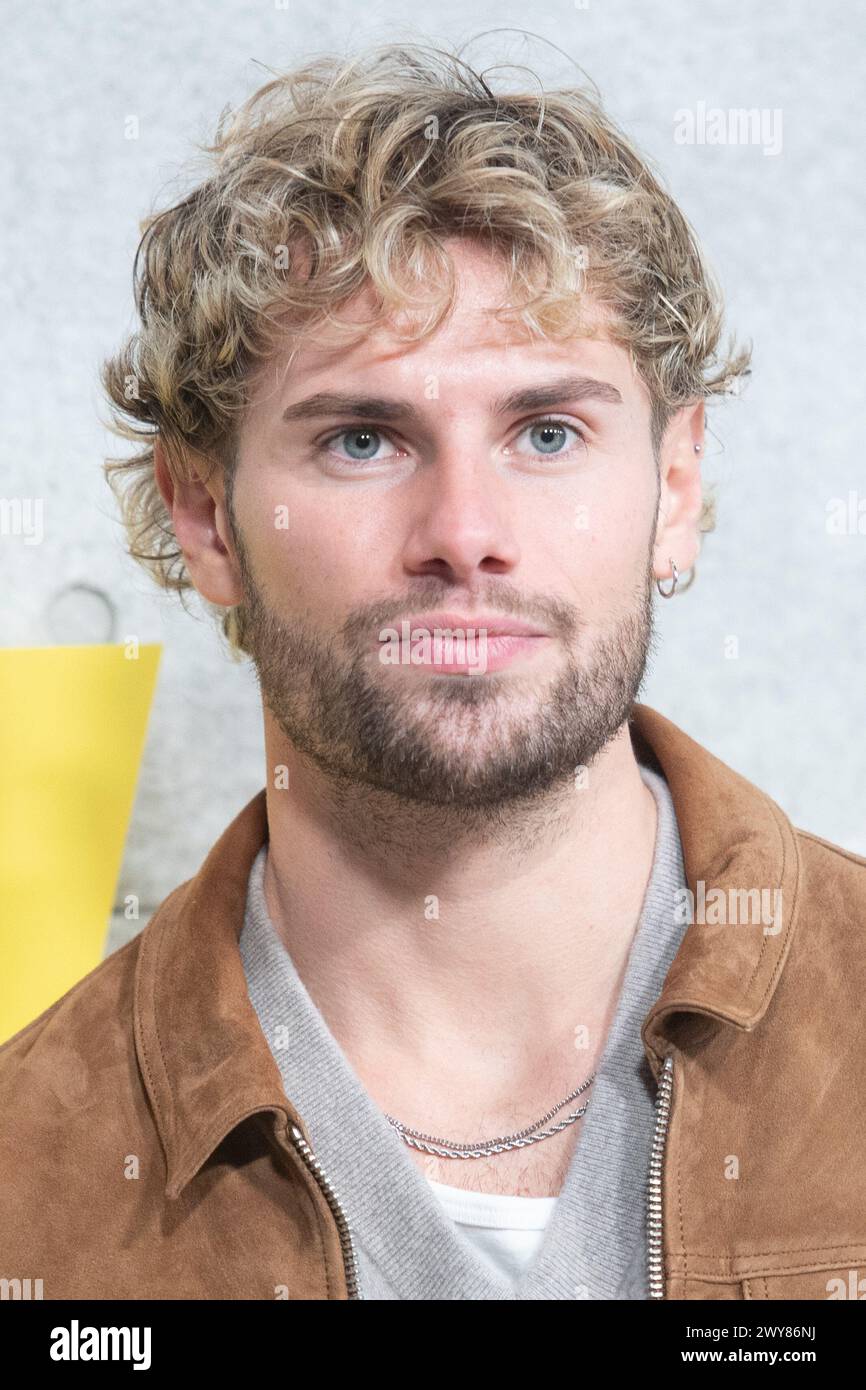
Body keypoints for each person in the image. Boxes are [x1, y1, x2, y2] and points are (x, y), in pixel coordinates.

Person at [2, 43, 864, 1303]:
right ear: (202, 514)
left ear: (674, 487)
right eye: (362, 438)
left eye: (548, 432)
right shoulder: (33, 1184)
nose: (464, 529)